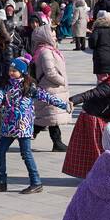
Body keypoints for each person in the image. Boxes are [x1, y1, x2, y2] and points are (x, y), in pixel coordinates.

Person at [0, 57, 68, 194]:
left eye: (14, 70)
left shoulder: (29, 87)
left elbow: (47, 97)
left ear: (22, 72)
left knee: (26, 153)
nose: (11, 73)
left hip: (23, 125)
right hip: (9, 126)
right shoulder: (6, 86)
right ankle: (1, 181)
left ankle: (36, 182)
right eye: (10, 70)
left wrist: (64, 105)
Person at [29, 22, 70, 152]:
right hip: (50, 88)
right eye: (52, 35)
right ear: (45, 36)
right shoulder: (45, 52)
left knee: (49, 117)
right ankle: (56, 142)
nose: (55, 38)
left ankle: (56, 142)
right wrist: (62, 80)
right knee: (49, 117)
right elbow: (50, 72)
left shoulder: (46, 50)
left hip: (52, 88)